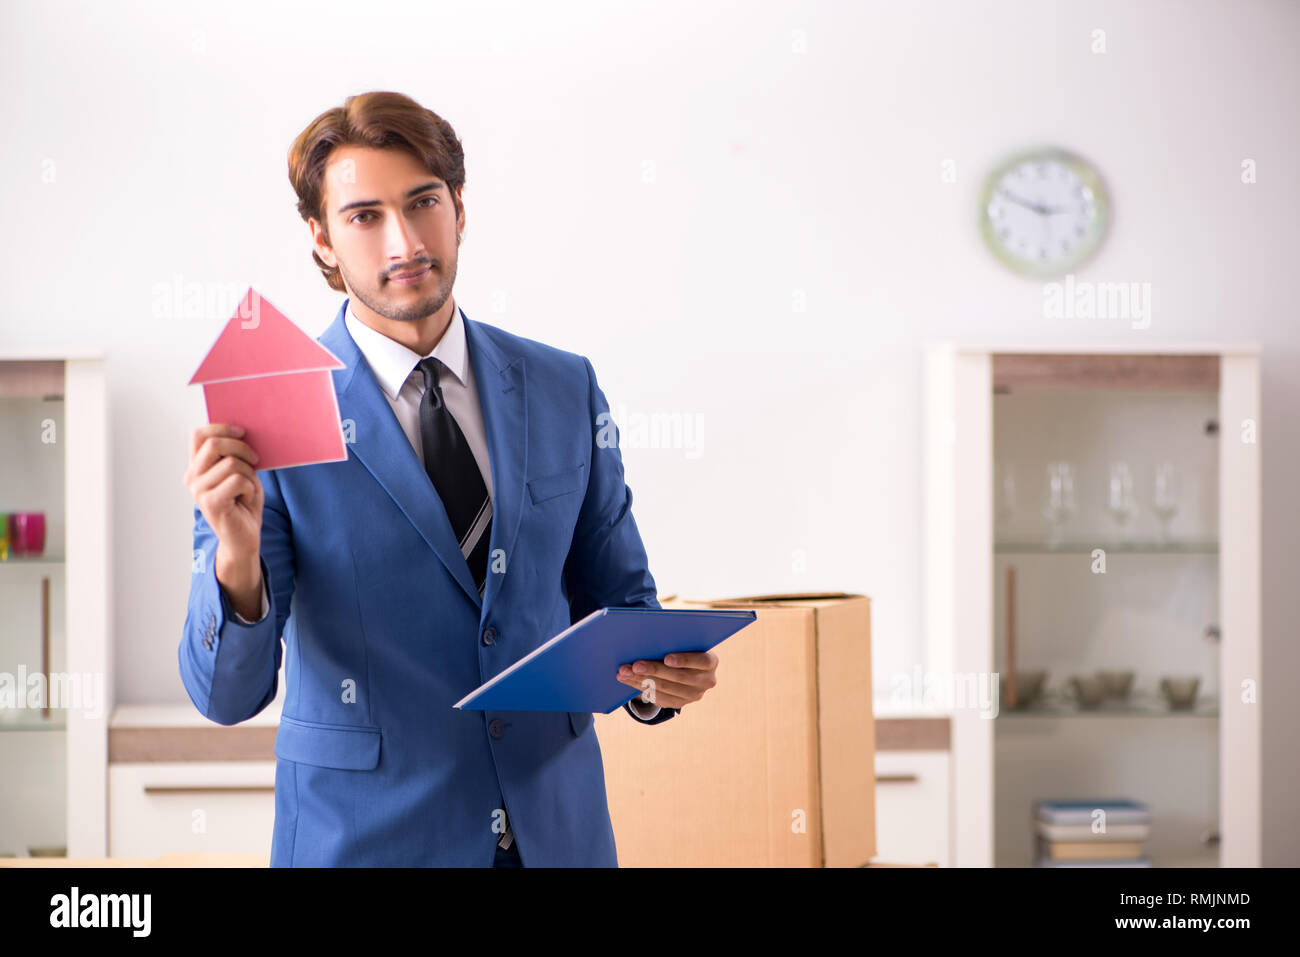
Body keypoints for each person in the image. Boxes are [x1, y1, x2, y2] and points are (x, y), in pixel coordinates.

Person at [179, 91, 719, 866]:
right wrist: (235, 562)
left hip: (556, 836)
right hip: (366, 842)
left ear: (459, 208)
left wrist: (655, 681)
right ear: (322, 241)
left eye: (423, 202)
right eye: (364, 216)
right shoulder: (270, 412)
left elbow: (621, 604)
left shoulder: (563, 386)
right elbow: (227, 696)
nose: (403, 240)